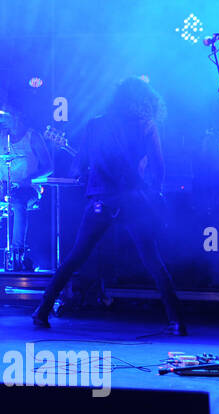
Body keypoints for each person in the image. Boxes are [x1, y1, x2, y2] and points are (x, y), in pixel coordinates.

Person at [30, 77, 185, 335]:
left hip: (102, 199)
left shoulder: (95, 124)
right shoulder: (146, 125)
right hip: (134, 200)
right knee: (152, 259)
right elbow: (159, 167)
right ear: (145, 101)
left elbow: (79, 166)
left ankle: (42, 310)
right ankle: (177, 321)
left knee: (76, 256)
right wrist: (156, 195)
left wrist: (88, 172)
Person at [0, 111, 52, 271]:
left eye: (6, 116)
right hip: (3, 188)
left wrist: (30, 178)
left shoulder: (33, 137)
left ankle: (18, 254)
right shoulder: (1, 136)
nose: (3, 120)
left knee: (18, 202)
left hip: (28, 189)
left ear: (17, 116)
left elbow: (49, 167)